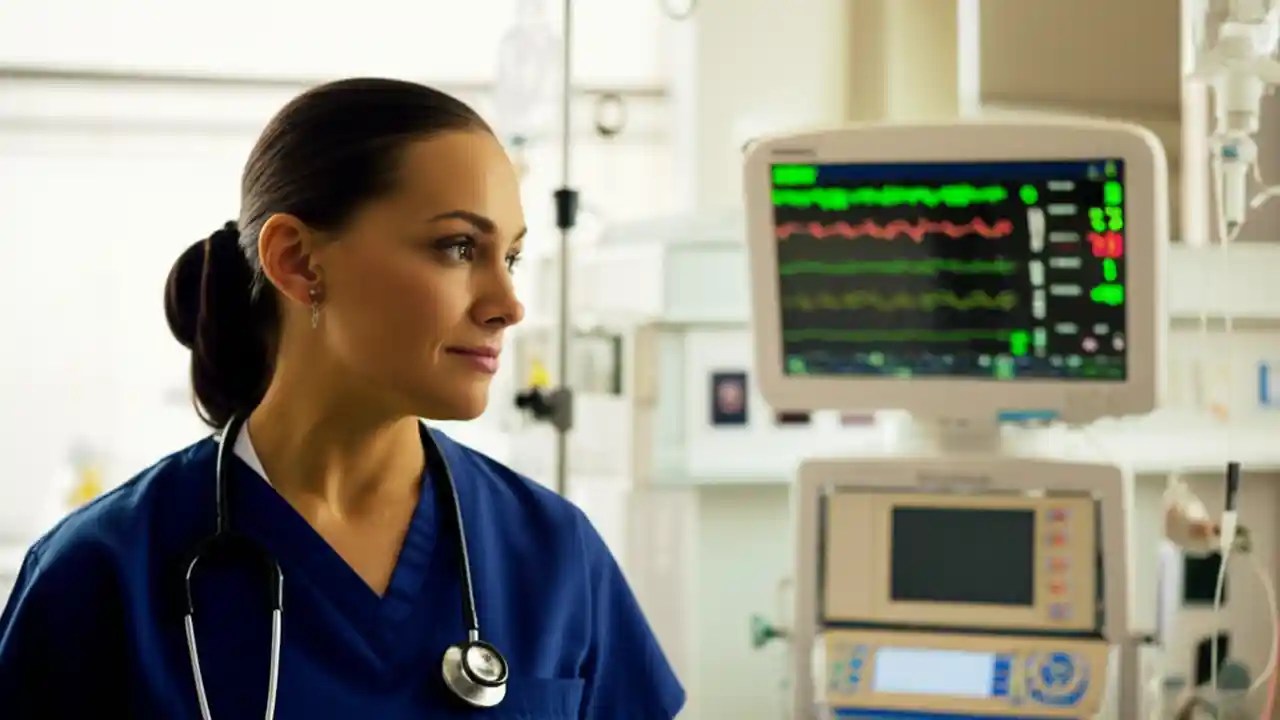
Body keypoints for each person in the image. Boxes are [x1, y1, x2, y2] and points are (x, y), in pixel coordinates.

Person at [0, 78, 685, 719]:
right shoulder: (99, 575)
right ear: (298, 261)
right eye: (456, 247)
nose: (508, 304)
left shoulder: (553, 557)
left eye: (508, 257)